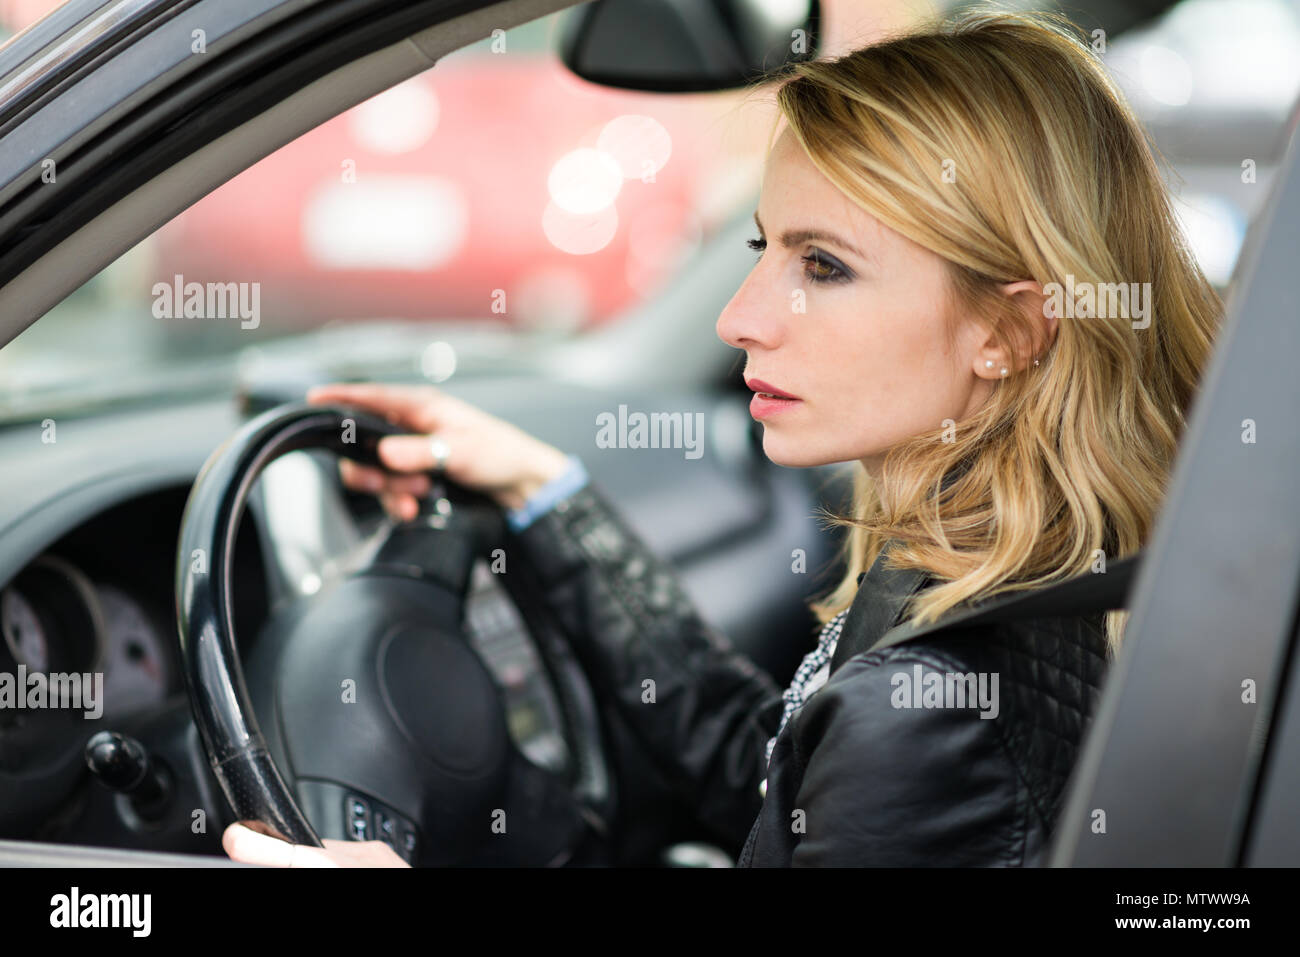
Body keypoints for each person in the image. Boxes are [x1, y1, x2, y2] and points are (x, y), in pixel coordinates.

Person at [222, 10, 1219, 868]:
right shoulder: (1019, 583)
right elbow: (776, 782)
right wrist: (546, 496)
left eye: (822, 267)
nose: (739, 317)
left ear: (1005, 333)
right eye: (762, 247)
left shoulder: (926, 718)